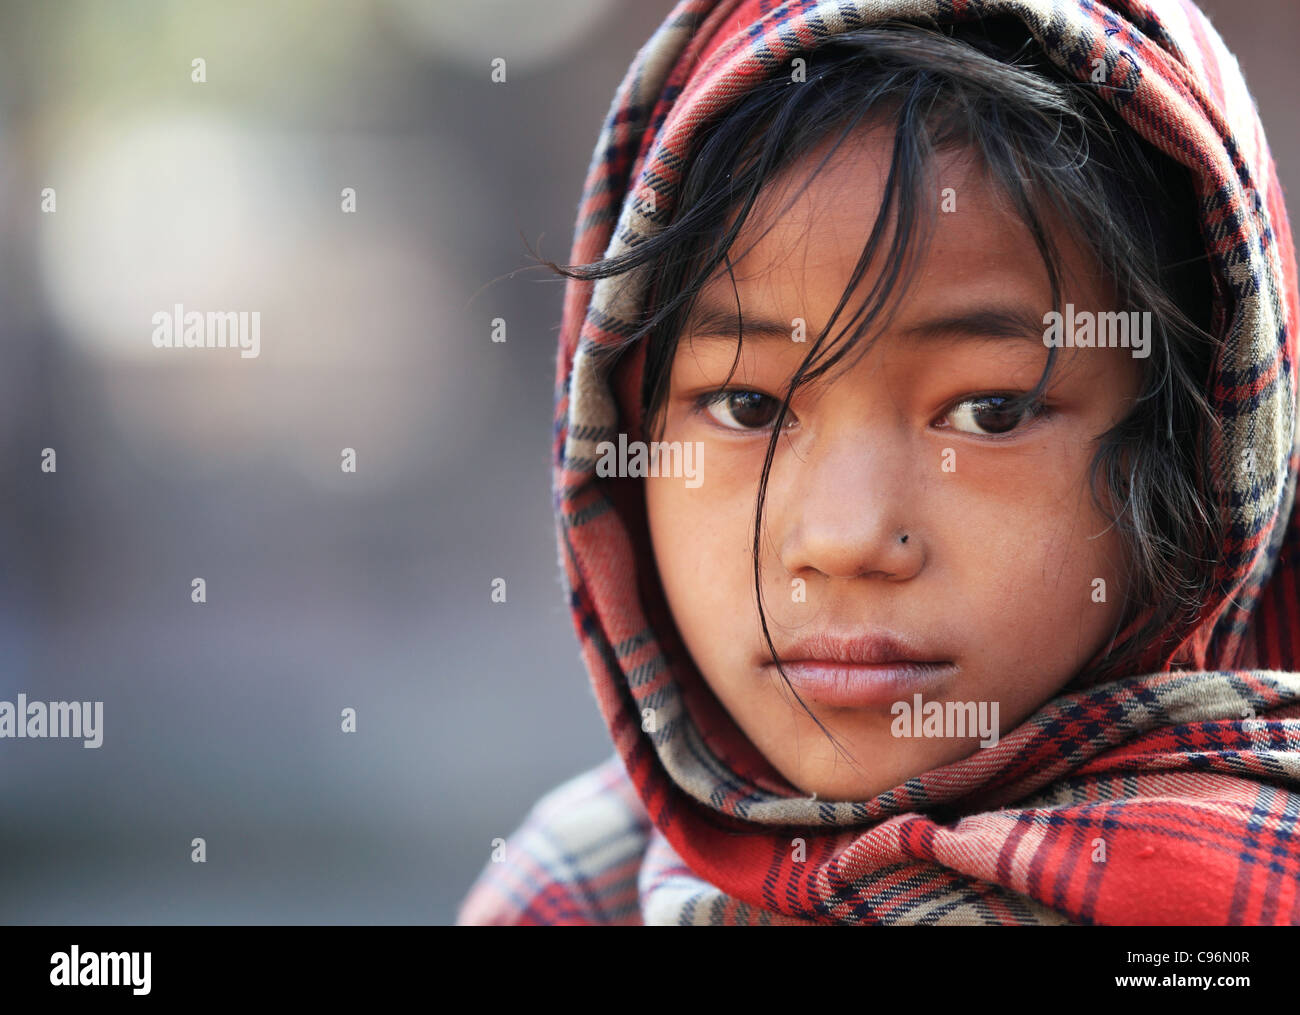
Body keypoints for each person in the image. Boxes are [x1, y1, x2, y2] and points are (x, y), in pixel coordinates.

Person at [458, 0, 1300, 925]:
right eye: (747, 406)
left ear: (1204, 453)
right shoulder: (575, 892)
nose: (846, 539)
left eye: (990, 412)